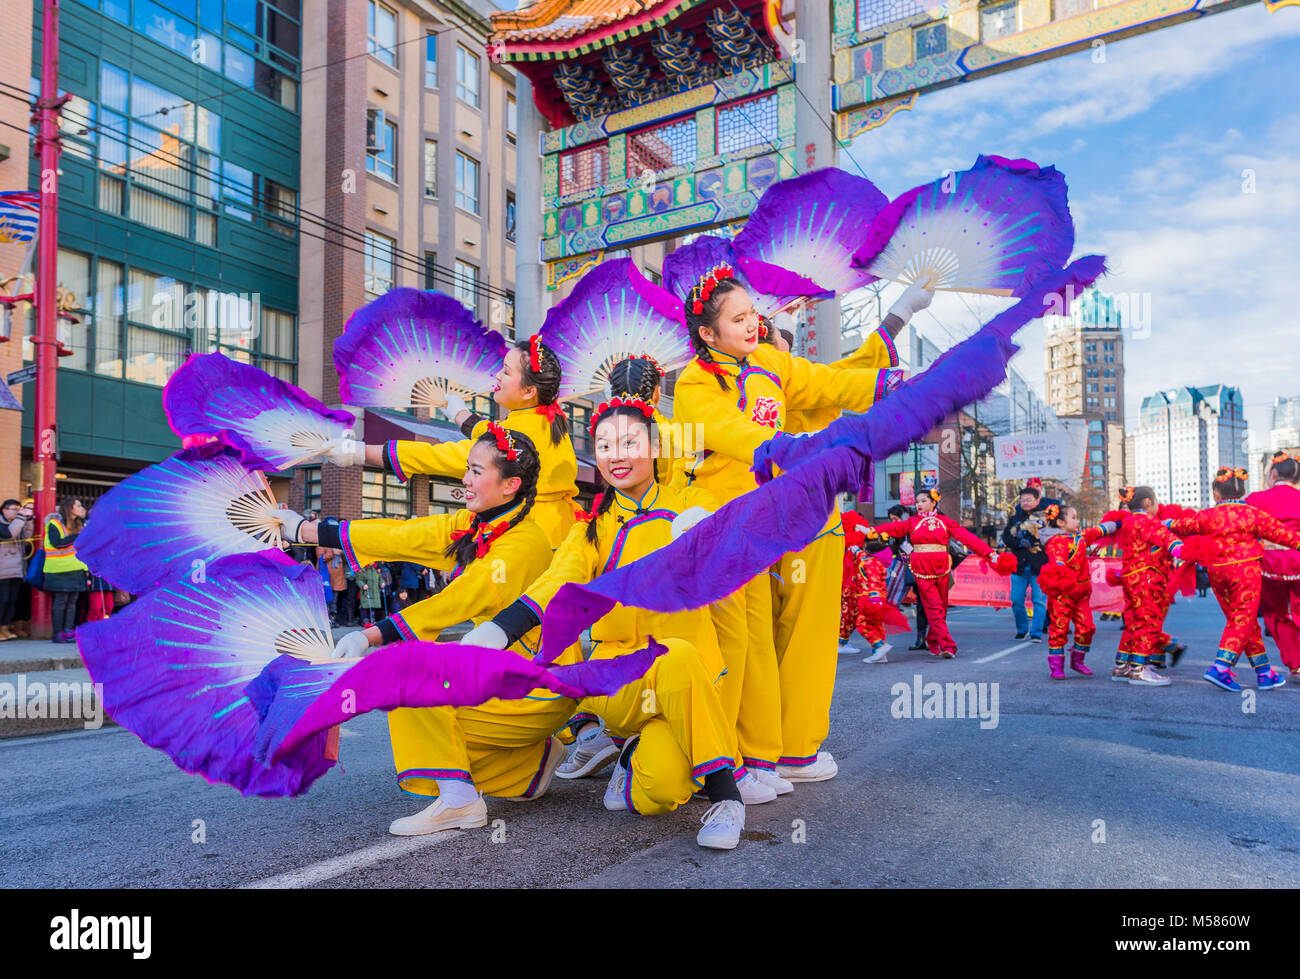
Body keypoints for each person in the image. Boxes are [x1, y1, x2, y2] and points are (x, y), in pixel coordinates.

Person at [469, 398, 749, 850]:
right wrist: (500, 629)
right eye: (603, 445)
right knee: (676, 655)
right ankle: (727, 797)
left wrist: (705, 528)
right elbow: (558, 581)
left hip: (689, 684)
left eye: (629, 442)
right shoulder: (592, 529)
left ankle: (633, 756)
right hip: (620, 677)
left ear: (656, 446)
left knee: (660, 792)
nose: (615, 455)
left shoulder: (691, 501)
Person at [670, 264, 900, 784]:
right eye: (739, 319)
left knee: (761, 643)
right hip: (722, 521)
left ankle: (762, 755)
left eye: (754, 313)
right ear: (707, 334)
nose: (754, 324)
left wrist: (894, 386)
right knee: (737, 646)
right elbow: (732, 433)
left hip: (770, 518)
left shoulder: (771, 361)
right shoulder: (693, 384)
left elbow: (829, 381)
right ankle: (723, 758)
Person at [281, 427, 566, 835]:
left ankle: (460, 802)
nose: (465, 479)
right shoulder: (478, 523)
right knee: (438, 704)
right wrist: (305, 531)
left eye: (476, 471)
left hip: (535, 689)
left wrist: (371, 634)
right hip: (517, 682)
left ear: (511, 485)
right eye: (467, 468)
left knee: (406, 674)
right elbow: (402, 535)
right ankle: (527, 764)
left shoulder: (522, 544)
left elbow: (455, 602)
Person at [323, 337, 580, 550]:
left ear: (528, 391)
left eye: (506, 371)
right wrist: (460, 414)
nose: (497, 375)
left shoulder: (522, 434)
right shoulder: (545, 419)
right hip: (554, 532)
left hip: (530, 538)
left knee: (414, 537)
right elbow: (492, 434)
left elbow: (444, 456)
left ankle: (315, 532)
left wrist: (359, 452)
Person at [1166, 467, 1300, 692]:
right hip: (1246, 572)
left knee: (1244, 621)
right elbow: (1283, 535)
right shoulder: (1252, 514)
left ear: (1216, 494)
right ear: (1243, 491)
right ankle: (1220, 667)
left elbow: (1183, 525)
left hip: (1218, 573)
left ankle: (1264, 672)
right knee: (1242, 619)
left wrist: (1164, 523)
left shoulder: (1207, 515)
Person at [866, 489, 1013, 657]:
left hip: (942, 567)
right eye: (917, 502)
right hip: (921, 568)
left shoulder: (945, 521)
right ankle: (948, 646)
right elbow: (893, 528)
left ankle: (933, 640)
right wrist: (869, 530)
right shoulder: (912, 522)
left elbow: (967, 538)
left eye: (923, 501)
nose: (919, 505)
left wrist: (990, 553)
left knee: (941, 607)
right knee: (934, 606)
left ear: (933, 502)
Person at [1105, 487, 1189, 686]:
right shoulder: (1148, 522)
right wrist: (1188, 551)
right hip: (1146, 579)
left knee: (1133, 622)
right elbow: (1169, 540)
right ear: (1148, 503)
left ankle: (1122, 666)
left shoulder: (1127, 523)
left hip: (1130, 578)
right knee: (1147, 622)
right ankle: (1139, 669)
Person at [1037, 504, 1120, 679]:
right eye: (1073, 517)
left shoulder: (1079, 537)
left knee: (1087, 628)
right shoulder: (1055, 542)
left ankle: (1078, 661)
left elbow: (1098, 531)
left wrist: (1119, 523)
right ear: (1060, 522)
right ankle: (1056, 665)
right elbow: (1057, 559)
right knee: (1059, 629)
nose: (1077, 521)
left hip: (1081, 594)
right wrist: (1059, 568)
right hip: (1062, 594)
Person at [1245, 452, 1300, 678]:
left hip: (1271, 563)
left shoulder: (1256, 499)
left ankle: (1296, 663)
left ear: (1274, 474)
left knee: (1275, 615)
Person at [1001, 481, 1057, 642]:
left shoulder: (1046, 518)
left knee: (1039, 600)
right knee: (1016, 600)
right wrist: (1020, 543)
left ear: (1037, 500)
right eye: (1022, 500)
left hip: (1040, 565)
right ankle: (1022, 628)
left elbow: (1052, 539)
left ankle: (1036, 632)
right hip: (1018, 565)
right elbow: (1006, 537)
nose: (1025, 503)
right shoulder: (1015, 518)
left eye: (1029, 499)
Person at [43, 497, 88, 643]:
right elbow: (57, 543)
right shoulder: (54, 523)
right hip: (58, 569)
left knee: (72, 602)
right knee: (61, 602)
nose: (81, 508)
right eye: (78, 505)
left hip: (76, 568)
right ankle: (58, 633)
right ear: (70, 508)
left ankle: (69, 631)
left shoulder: (80, 523)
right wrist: (77, 536)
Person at [884, 503, 929, 649]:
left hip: (924, 567)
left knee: (926, 604)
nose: (893, 522)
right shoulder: (897, 532)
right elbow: (894, 549)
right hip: (908, 569)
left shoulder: (917, 525)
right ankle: (921, 638)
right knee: (921, 604)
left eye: (896, 518)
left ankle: (927, 637)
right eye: (891, 520)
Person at [0, 499, 32, 640]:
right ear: (4, 510)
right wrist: (21, 517)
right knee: (3, 600)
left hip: (17, 569)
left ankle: (5, 628)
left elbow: (27, 538)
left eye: (19, 510)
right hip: (3, 570)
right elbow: (9, 534)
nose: (17, 512)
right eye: (14, 509)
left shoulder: (18, 523)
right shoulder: (2, 524)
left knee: (12, 601)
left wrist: (29, 521)